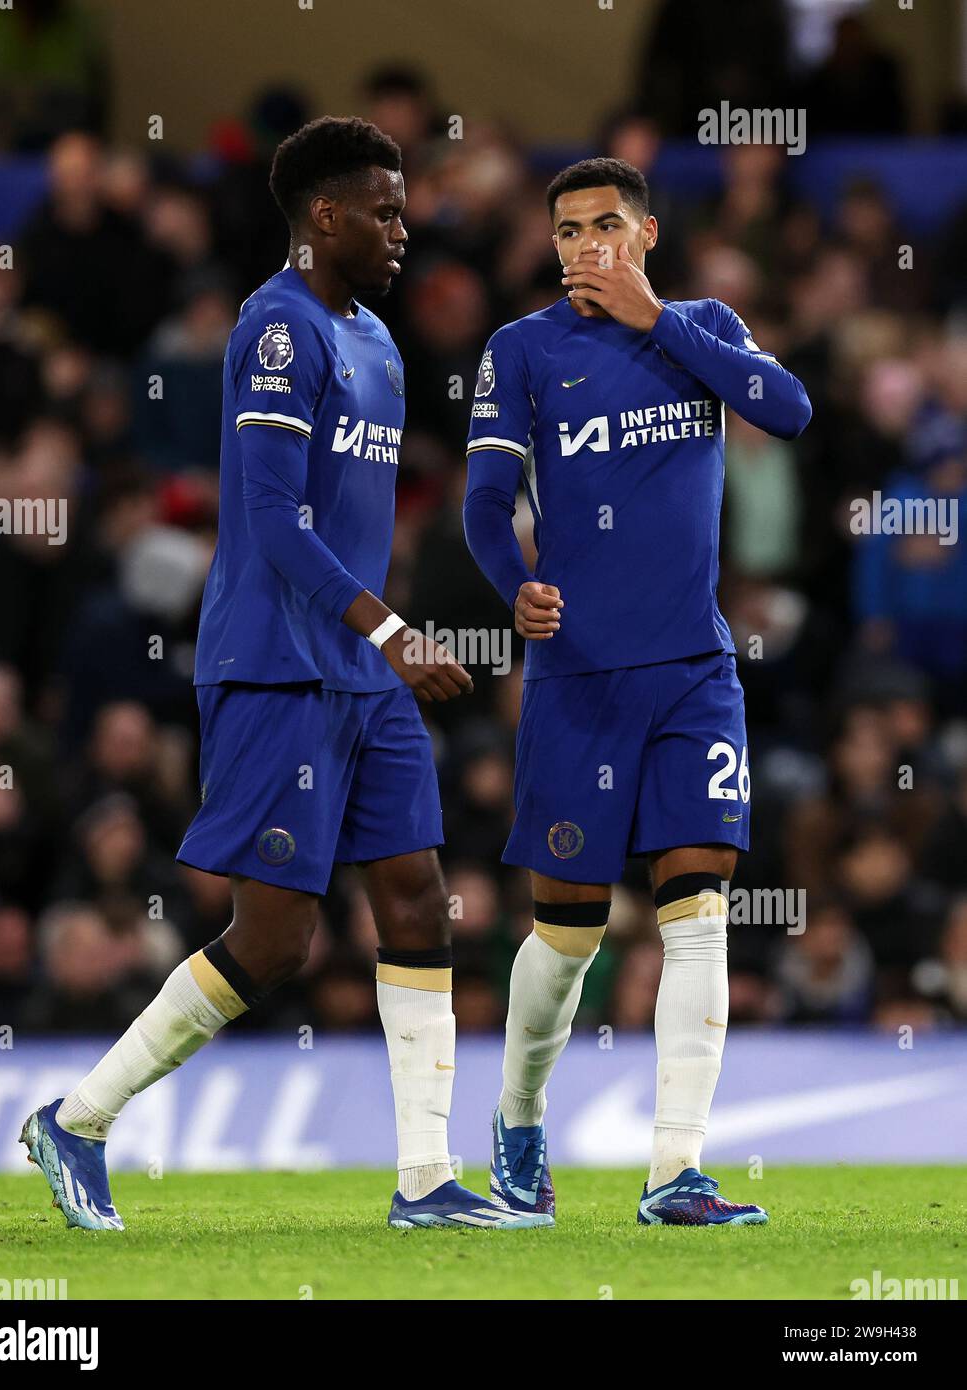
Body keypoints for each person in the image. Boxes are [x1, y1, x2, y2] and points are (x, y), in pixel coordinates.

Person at [21, 116, 544, 1232]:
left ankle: (425, 1185)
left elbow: (360, 521)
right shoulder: (276, 324)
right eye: (386, 210)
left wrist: (393, 630)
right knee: (274, 940)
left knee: (415, 900)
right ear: (323, 214)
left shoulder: (384, 344)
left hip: (361, 667)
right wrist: (391, 630)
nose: (406, 230)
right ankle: (77, 1118)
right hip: (276, 664)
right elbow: (270, 513)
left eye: (406, 209)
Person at [463, 156, 811, 1226]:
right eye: (567, 232)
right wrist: (514, 585)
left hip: (695, 673)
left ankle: (675, 1170)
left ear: (646, 234)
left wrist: (657, 316)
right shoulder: (521, 350)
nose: (584, 247)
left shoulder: (699, 325)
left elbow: (788, 409)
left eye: (606, 225)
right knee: (568, 937)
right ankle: (518, 1124)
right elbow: (482, 500)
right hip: (580, 680)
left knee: (698, 908)